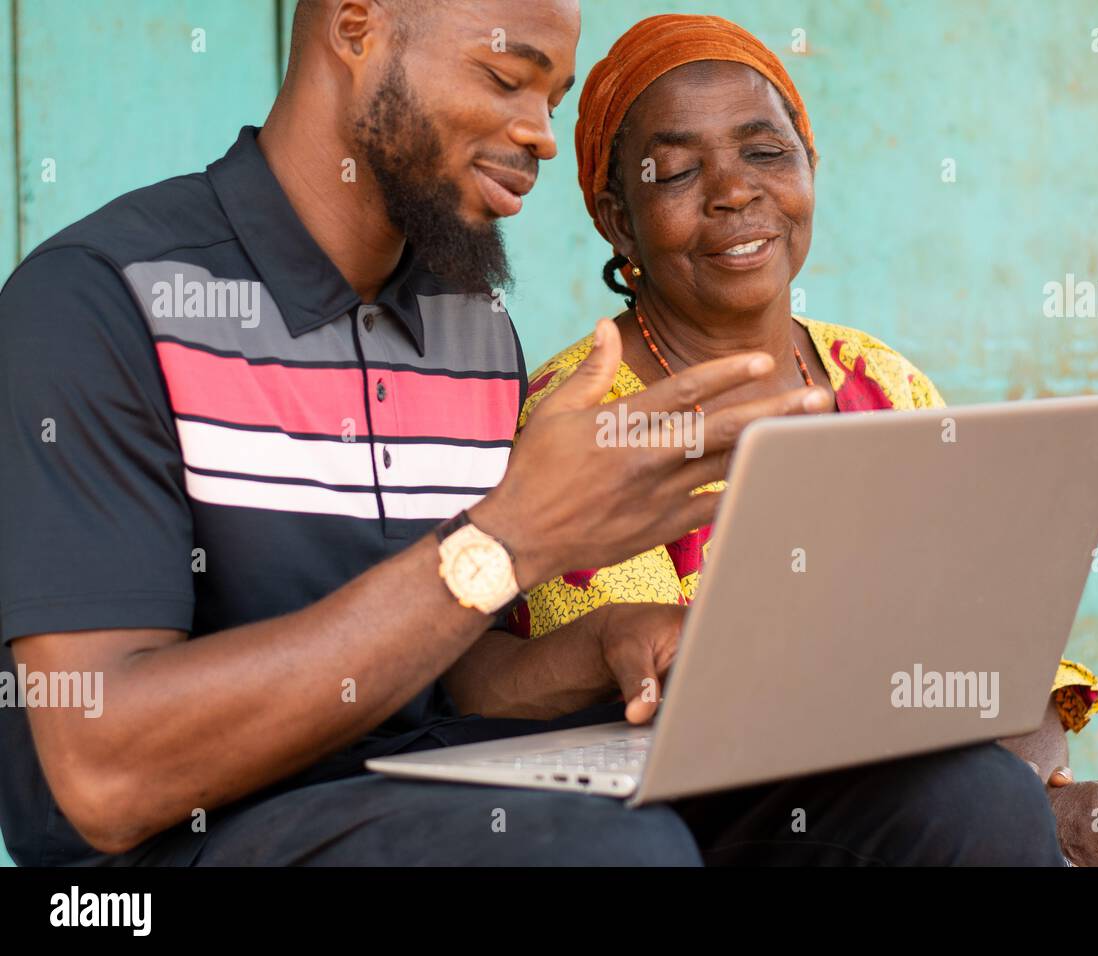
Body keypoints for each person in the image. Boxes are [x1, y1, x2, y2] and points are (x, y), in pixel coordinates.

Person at [0, 0, 822, 867]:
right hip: (163, 864)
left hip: (429, 802)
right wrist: (511, 539)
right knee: (611, 850)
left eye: (553, 97)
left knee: (931, 797)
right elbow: (104, 773)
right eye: (507, 78)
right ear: (356, 29)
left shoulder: (466, 324)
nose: (542, 135)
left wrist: (613, 646)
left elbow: (447, 680)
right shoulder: (98, 305)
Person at [486, 12, 1098, 868]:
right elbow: (689, 716)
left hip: (958, 808)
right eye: (676, 170)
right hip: (731, 835)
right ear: (618, 220)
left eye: (765, 152)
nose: (734, 193)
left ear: (809, 169)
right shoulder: (579, 418)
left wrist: (1053, 799)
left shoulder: (878, 379)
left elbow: (992, 639)